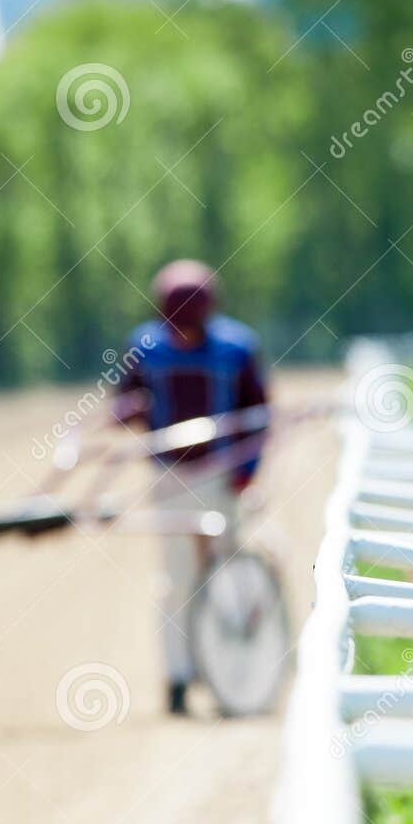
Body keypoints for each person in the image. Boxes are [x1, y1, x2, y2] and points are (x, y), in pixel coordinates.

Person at [116, 260, 269, 716]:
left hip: (222, 474)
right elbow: (124, 400)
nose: (182, 334)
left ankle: (227, 670)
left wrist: (247, 471)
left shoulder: (237, 349)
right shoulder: (144, 349)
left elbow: (258, 415)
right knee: (177, 580)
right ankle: (178, 678)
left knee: (225, 571)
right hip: (169, 479)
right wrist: (129, 410)